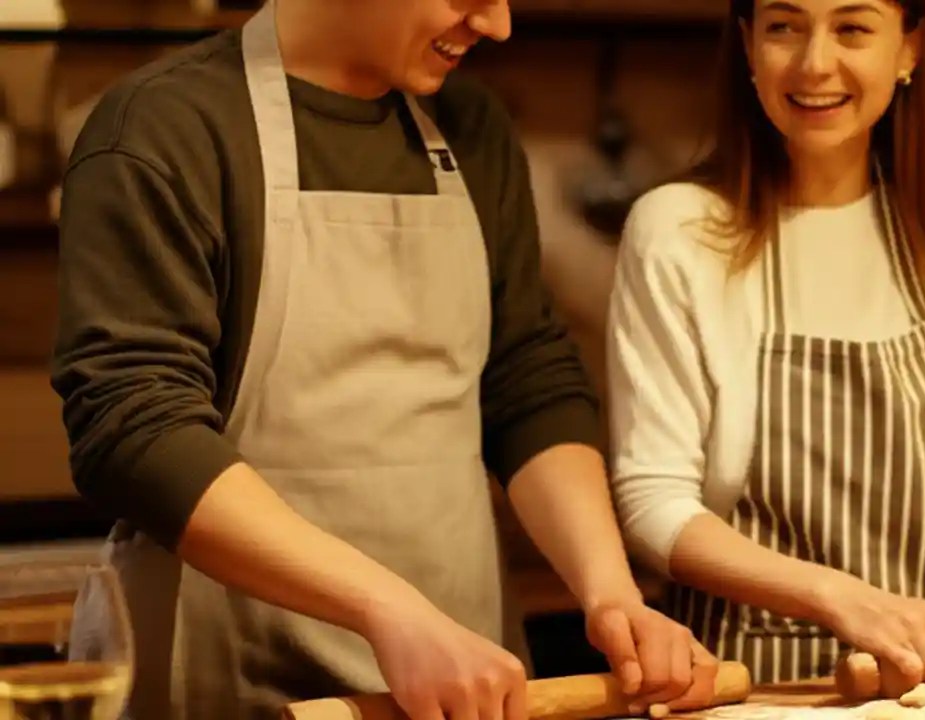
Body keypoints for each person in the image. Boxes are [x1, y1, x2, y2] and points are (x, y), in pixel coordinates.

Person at [50, 0, 717, 718]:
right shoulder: (163, 130)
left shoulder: (471, 128)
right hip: (226, 687)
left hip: (464, 685)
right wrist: (386, 609)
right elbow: (136, 432)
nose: (498, 26)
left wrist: (611, 596)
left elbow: (528, 380)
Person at [605, 0, 925, 689]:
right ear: (748, 46)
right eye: (784, 27)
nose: (815, 63)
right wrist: (842, 599)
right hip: (749, 682)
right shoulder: (676, 231)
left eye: (853, 28)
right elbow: (654, 503)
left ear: (909, 50)